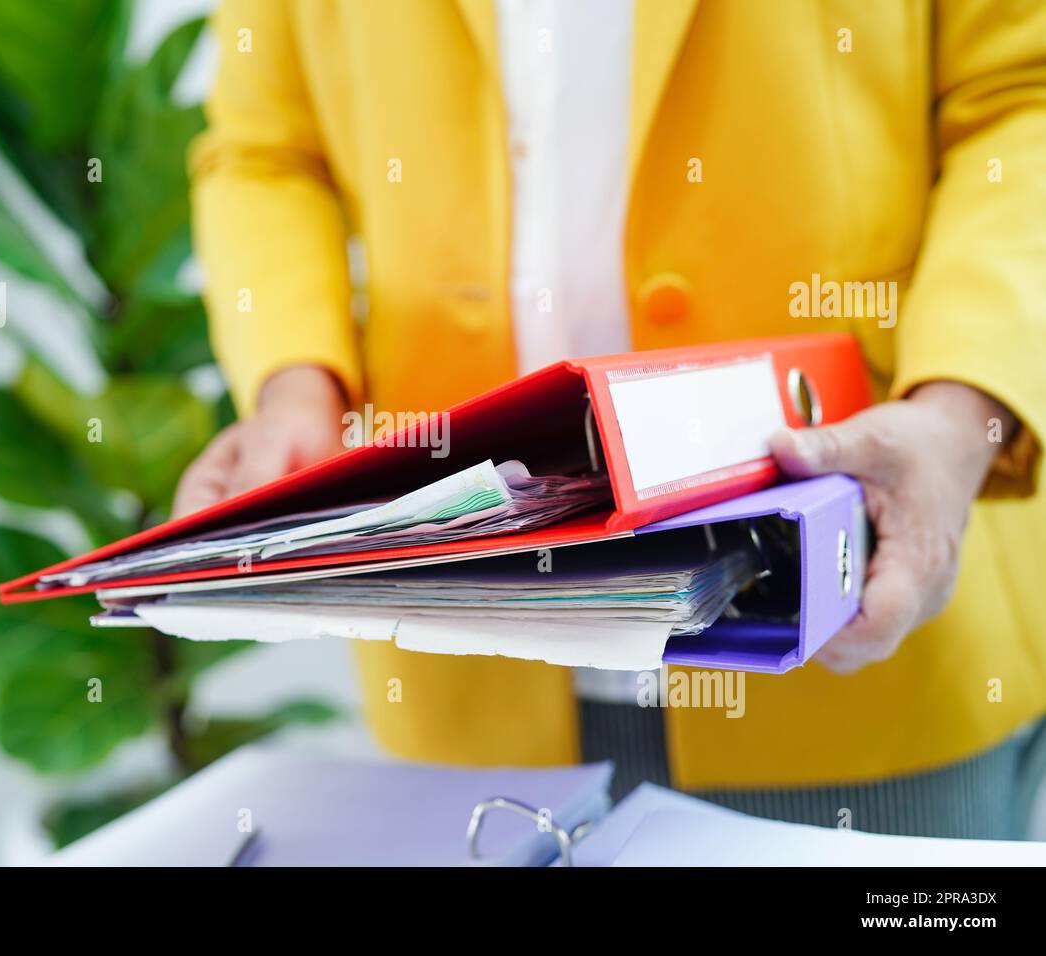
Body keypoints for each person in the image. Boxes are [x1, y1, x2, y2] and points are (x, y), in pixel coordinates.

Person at [174, 0, 1046, 838]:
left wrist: (963, 407)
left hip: (866, 629)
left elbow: (1022, 97)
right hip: (470, 667)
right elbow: (265, 151)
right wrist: (296, 380)